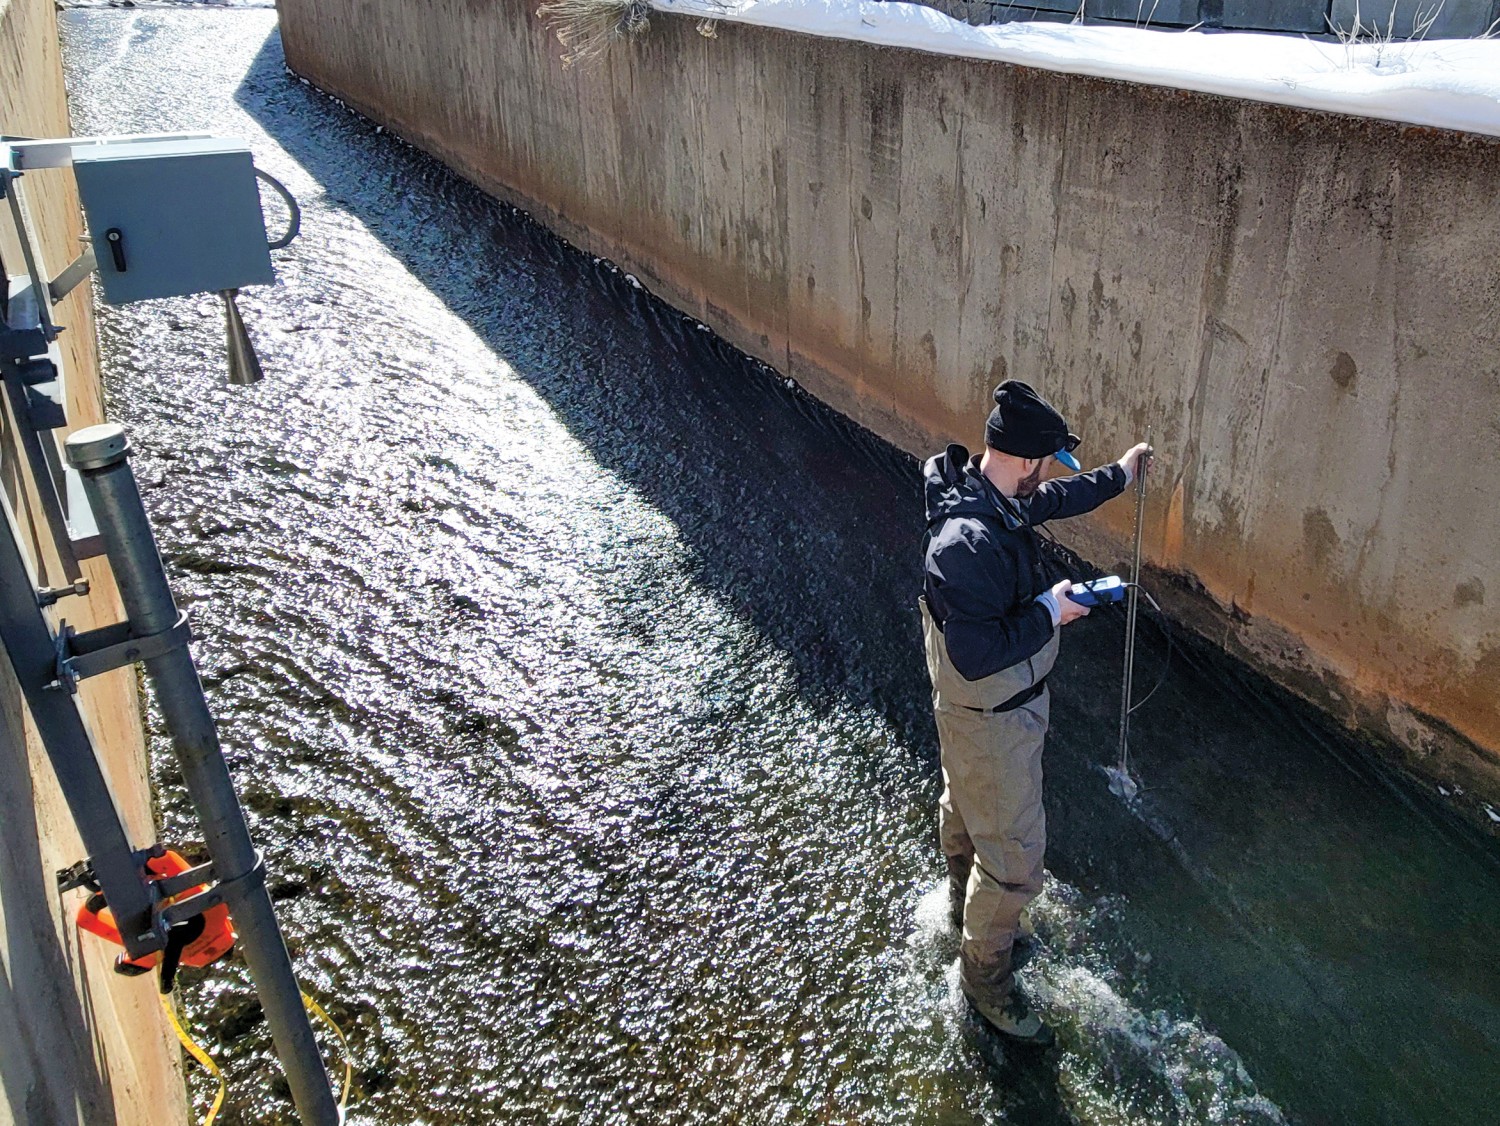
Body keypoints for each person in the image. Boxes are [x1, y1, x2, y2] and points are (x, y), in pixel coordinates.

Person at [920, 379, 1151, 1045]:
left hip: (976, 717)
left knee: (967, 802)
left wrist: (1121, 475)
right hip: (991, 714)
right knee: (1017, 863)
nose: (1047, 476)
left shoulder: (986, 492)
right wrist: (1053, 610)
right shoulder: (965, 544)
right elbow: (976, 654)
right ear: (1023, 460)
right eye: (1044, 463)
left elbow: (1054, 497)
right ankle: (984, 980)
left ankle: (965, 903)